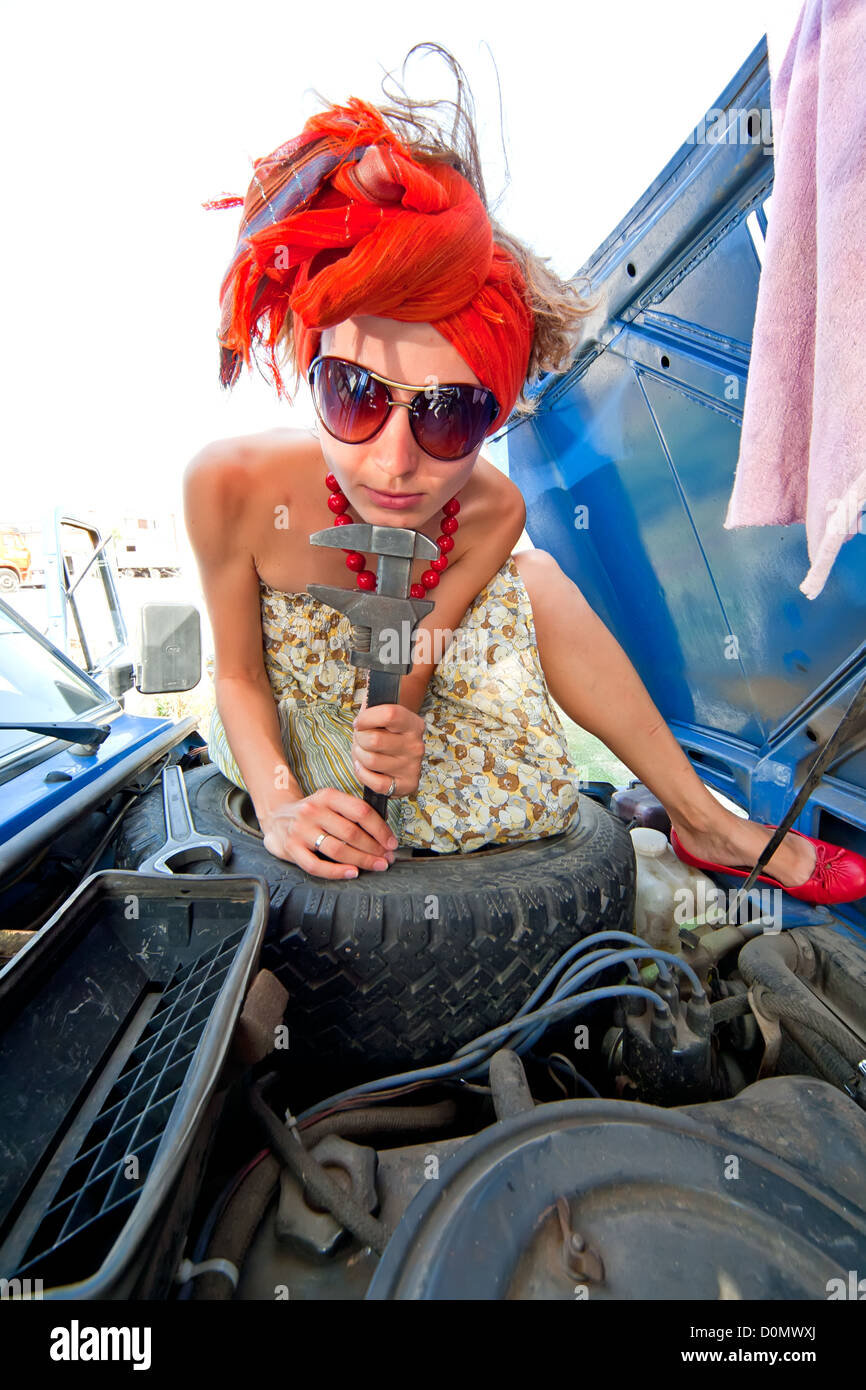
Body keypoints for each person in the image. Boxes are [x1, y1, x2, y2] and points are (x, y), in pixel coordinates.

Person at [186, 47, 866, 906]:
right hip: (276, 716)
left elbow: (415, 649)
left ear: (497, 415)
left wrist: (399, 726)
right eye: (356, 395)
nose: (396, 462)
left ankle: (706, 820)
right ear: (310, 366)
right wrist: (280, 806)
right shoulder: (230, 490)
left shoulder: (492, 509)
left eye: (449, 415)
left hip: (385, 692)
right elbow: (239, 677)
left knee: (536, 581)